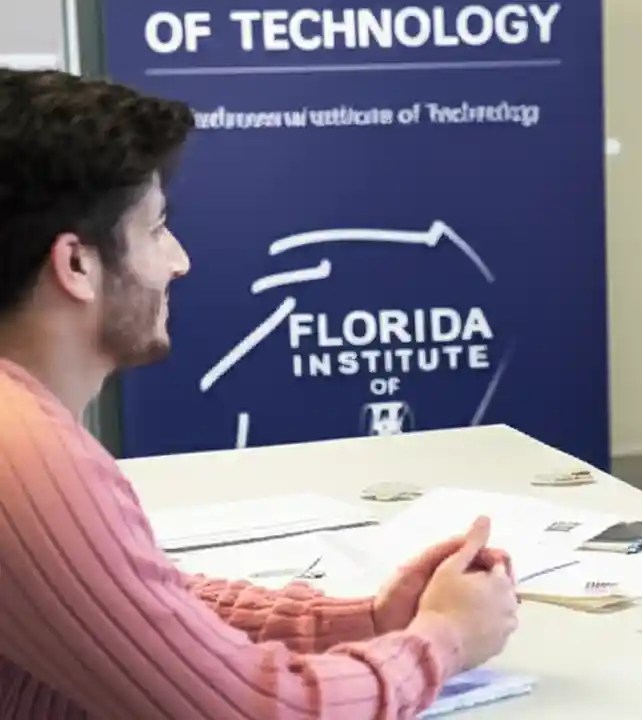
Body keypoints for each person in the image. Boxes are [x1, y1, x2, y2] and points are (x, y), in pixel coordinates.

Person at [0, 68, 518, 718]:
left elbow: (137, 604)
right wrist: (444, 639)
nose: (179, 261)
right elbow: (259, 710)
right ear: (76, 264)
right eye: (157, 231)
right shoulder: (25, 455)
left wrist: (371, 617)